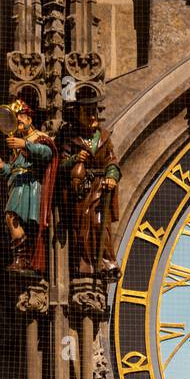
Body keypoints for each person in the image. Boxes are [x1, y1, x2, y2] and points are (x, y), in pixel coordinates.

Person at [0, 99, 57, 274]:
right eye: (15, 122)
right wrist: (2, 167)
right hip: (18, 184)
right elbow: (15, 169)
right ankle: (22, 258)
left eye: (20, 120)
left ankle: (22, 258)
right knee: (13, 219)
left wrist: (25, 144)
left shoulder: (39, 137)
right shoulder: (19, 143)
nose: (18, 125)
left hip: (30, 186)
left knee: (12, 217)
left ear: (29, 120)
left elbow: (48, 153)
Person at [60, 92, 121, 276]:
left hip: (101, 187)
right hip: (81, 190)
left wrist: (111, 176)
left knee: (100, 223)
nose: (93, 117)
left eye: (94, 112)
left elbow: (112, 162)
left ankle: (106, 261)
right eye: (87, 113)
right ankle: (85, 264)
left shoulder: (103, 137)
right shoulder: (71, 139)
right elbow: (60, 165)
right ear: (78, 114)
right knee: (83, 228)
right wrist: (74, 159)